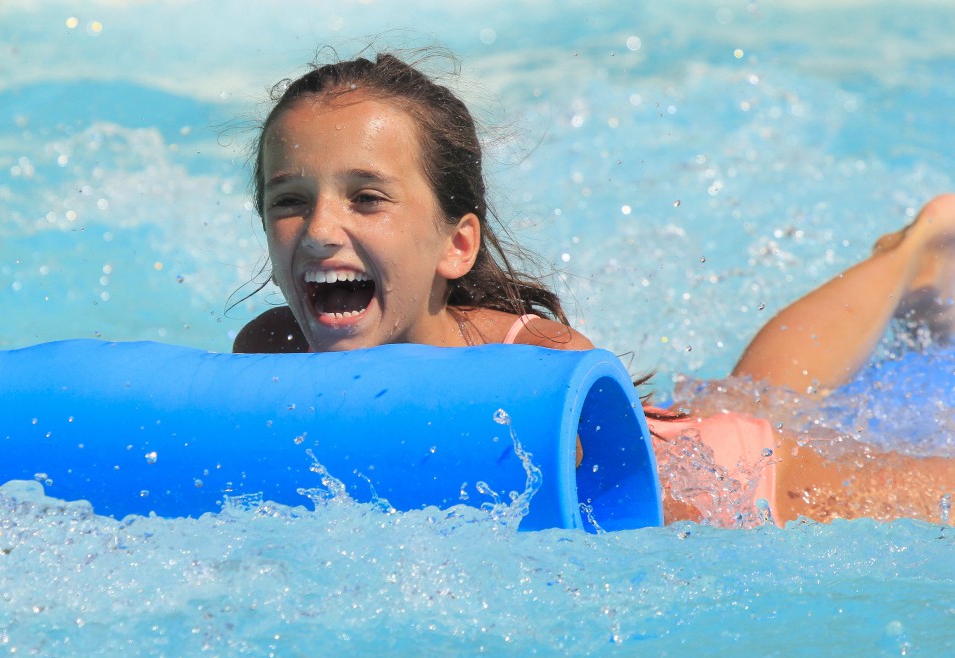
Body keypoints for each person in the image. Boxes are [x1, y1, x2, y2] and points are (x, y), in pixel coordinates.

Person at [232, 51, 955, 527]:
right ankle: (916, 255)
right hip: (683, 426)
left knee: (786, 430)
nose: (320, 229)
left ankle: (916, 250)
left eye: (366, 199)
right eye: (289, 200)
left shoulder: (537, 364)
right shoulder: (269, 350)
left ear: (457, 244)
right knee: (757, 389)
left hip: (734, 481)